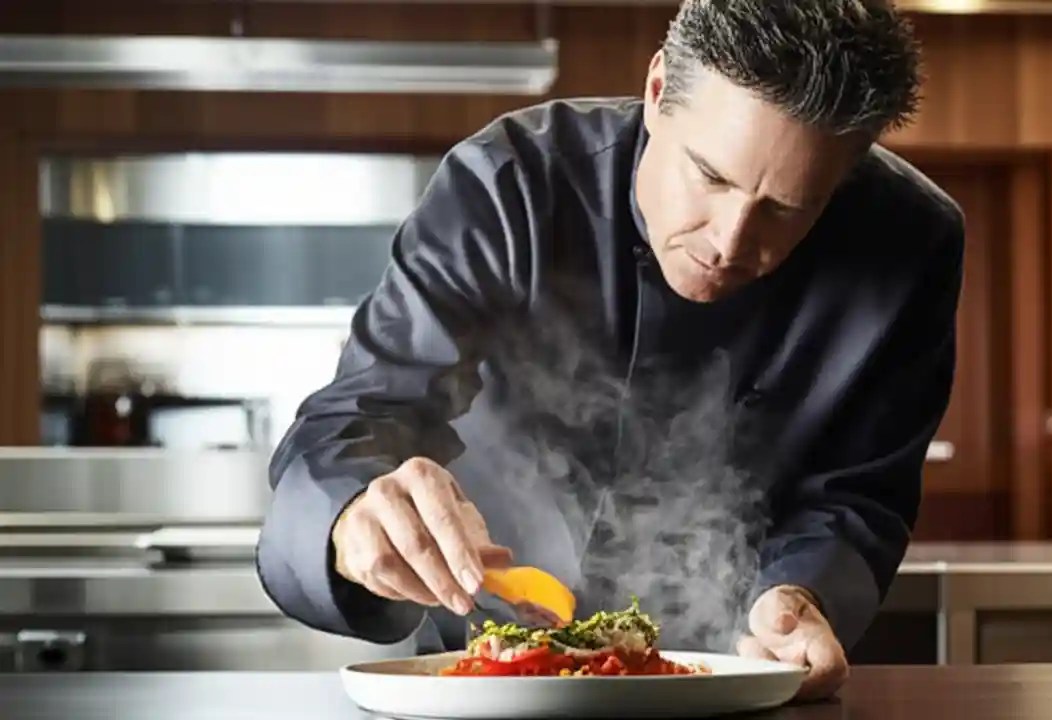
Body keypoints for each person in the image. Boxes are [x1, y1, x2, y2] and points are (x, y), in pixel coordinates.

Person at [256, 0, 962, 702]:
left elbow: (853, 494)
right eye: (710, 177)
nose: (730, 240)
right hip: (492, 675)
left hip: (729, 683)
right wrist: (348, 513)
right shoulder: (509, 186)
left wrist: (803, 596)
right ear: (657, 92)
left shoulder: (911, 244)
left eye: (786, 207)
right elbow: (359, 414)